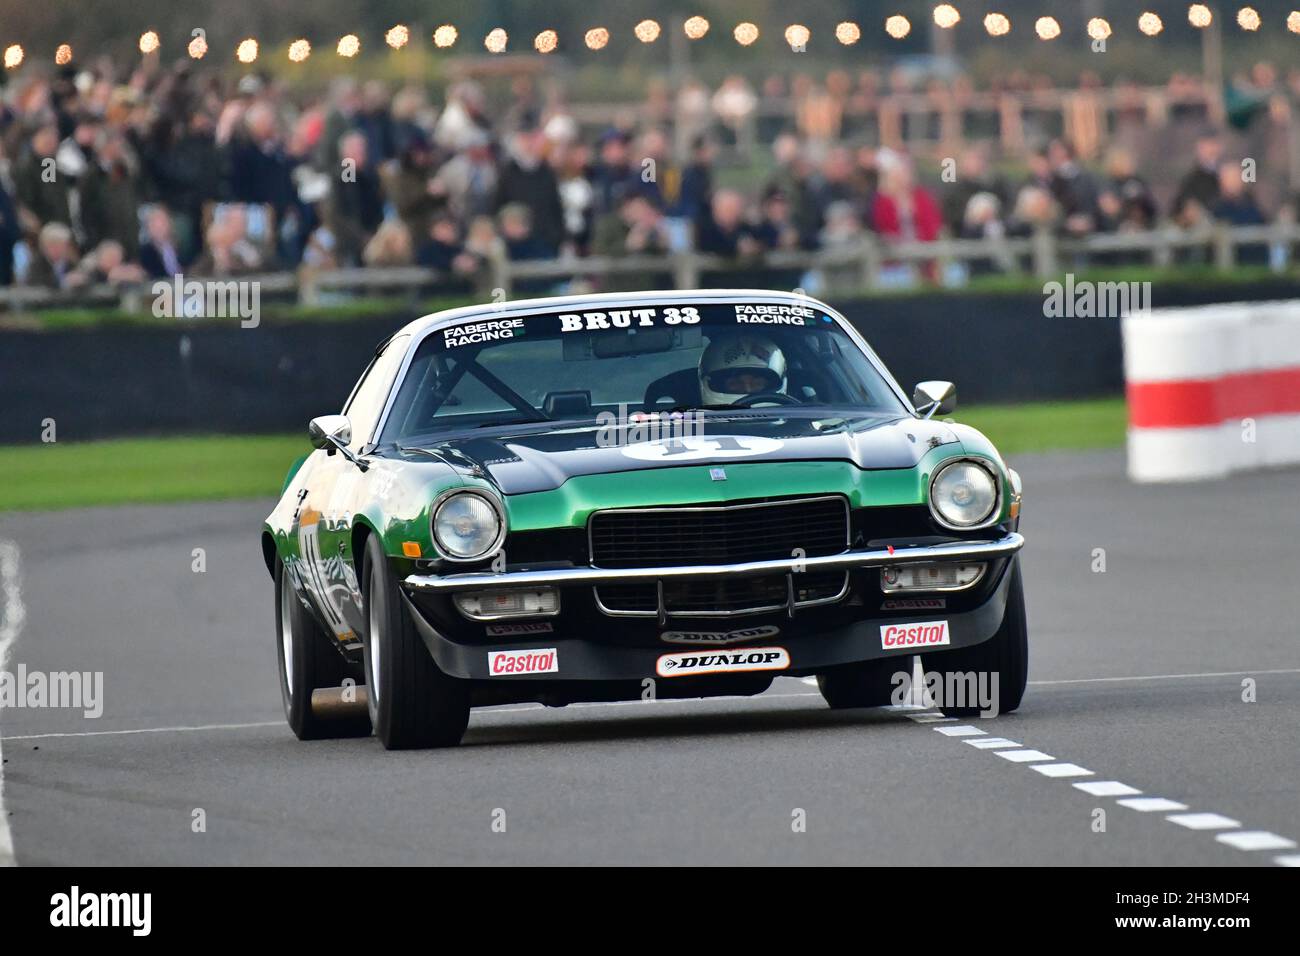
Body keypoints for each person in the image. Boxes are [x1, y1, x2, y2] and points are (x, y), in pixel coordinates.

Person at [697, 334, 788, 406]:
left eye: (757, 384)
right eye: (735, 383)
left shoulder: (797, 423)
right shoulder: (692, 428)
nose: (748, 390)